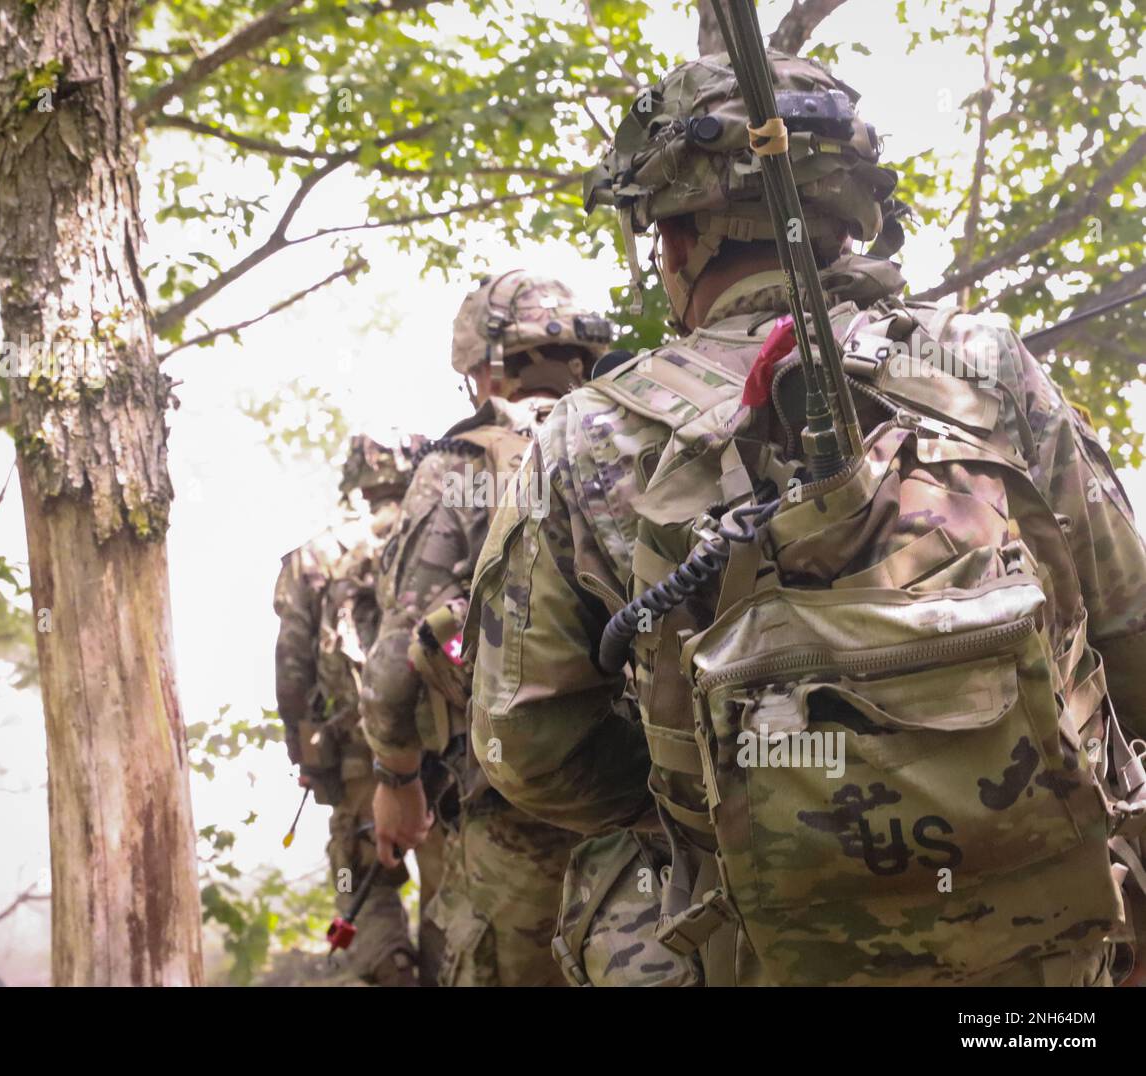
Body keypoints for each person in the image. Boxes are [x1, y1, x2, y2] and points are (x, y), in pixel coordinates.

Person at [467, 50, 1146, 987]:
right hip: (1030, 963)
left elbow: (527, 746)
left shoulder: (586, 433)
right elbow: (1126, 626)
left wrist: (724, 791)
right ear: (853, 210)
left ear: (675, 238)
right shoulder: (984, 364)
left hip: (752, 945)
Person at [359, 270, 613, 986]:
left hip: (518, 818)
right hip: (663, 820)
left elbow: (393, 657)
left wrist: (394, 776)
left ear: (482, 370)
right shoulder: (655, 439)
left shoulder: (464, 463)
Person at [273, 433, 441, 986]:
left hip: (357, 764)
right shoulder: (441, 533)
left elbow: (292, 674)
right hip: (446, 757)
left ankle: (390, 967)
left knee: (366, 894)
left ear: (356, 479)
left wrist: (312, 762)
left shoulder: (315, 555)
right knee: (454, 897)